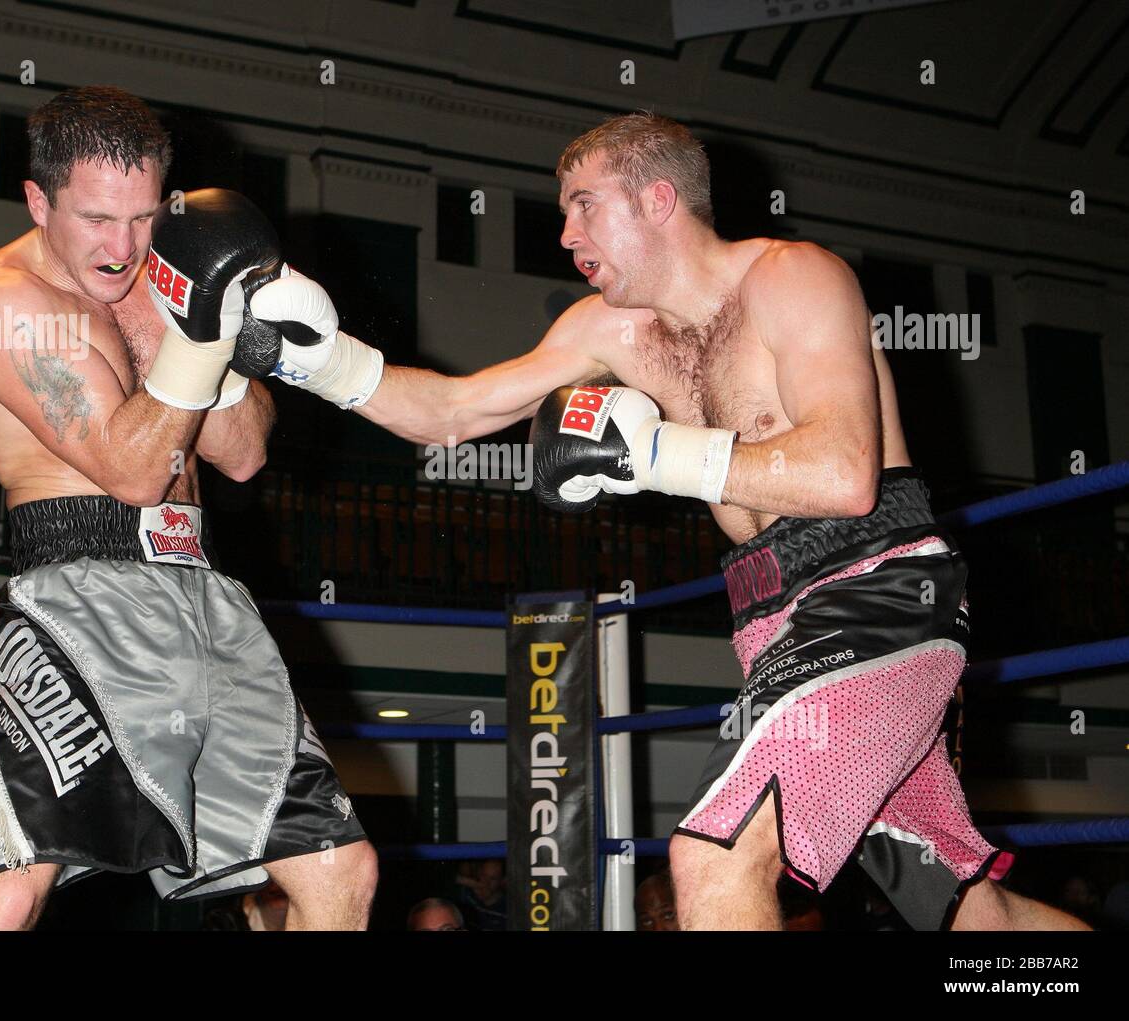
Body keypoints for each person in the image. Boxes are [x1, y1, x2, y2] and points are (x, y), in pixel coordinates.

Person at [245, 112, 1086, 932]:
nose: (566, 231)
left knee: (714, 857)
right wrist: (313, 359)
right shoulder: (605, 327)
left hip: (876, 586)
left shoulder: (793, 276)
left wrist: (650, 455)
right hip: (768, 615)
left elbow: (843, 473)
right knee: (971, 909)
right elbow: (454, 411)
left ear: (657, 198)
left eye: (584, 203)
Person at [0, 86, 375, 930]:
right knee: (12, 891)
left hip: (201, 591)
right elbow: (134, 468)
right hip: (82, 598)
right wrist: (202, 335)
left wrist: (217, 315)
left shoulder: (159, 279)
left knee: (339, 872)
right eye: (98, 219)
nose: (124, 245)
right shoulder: (6, 303)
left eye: (143, 218)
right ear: (38, 199)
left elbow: (242, 452)